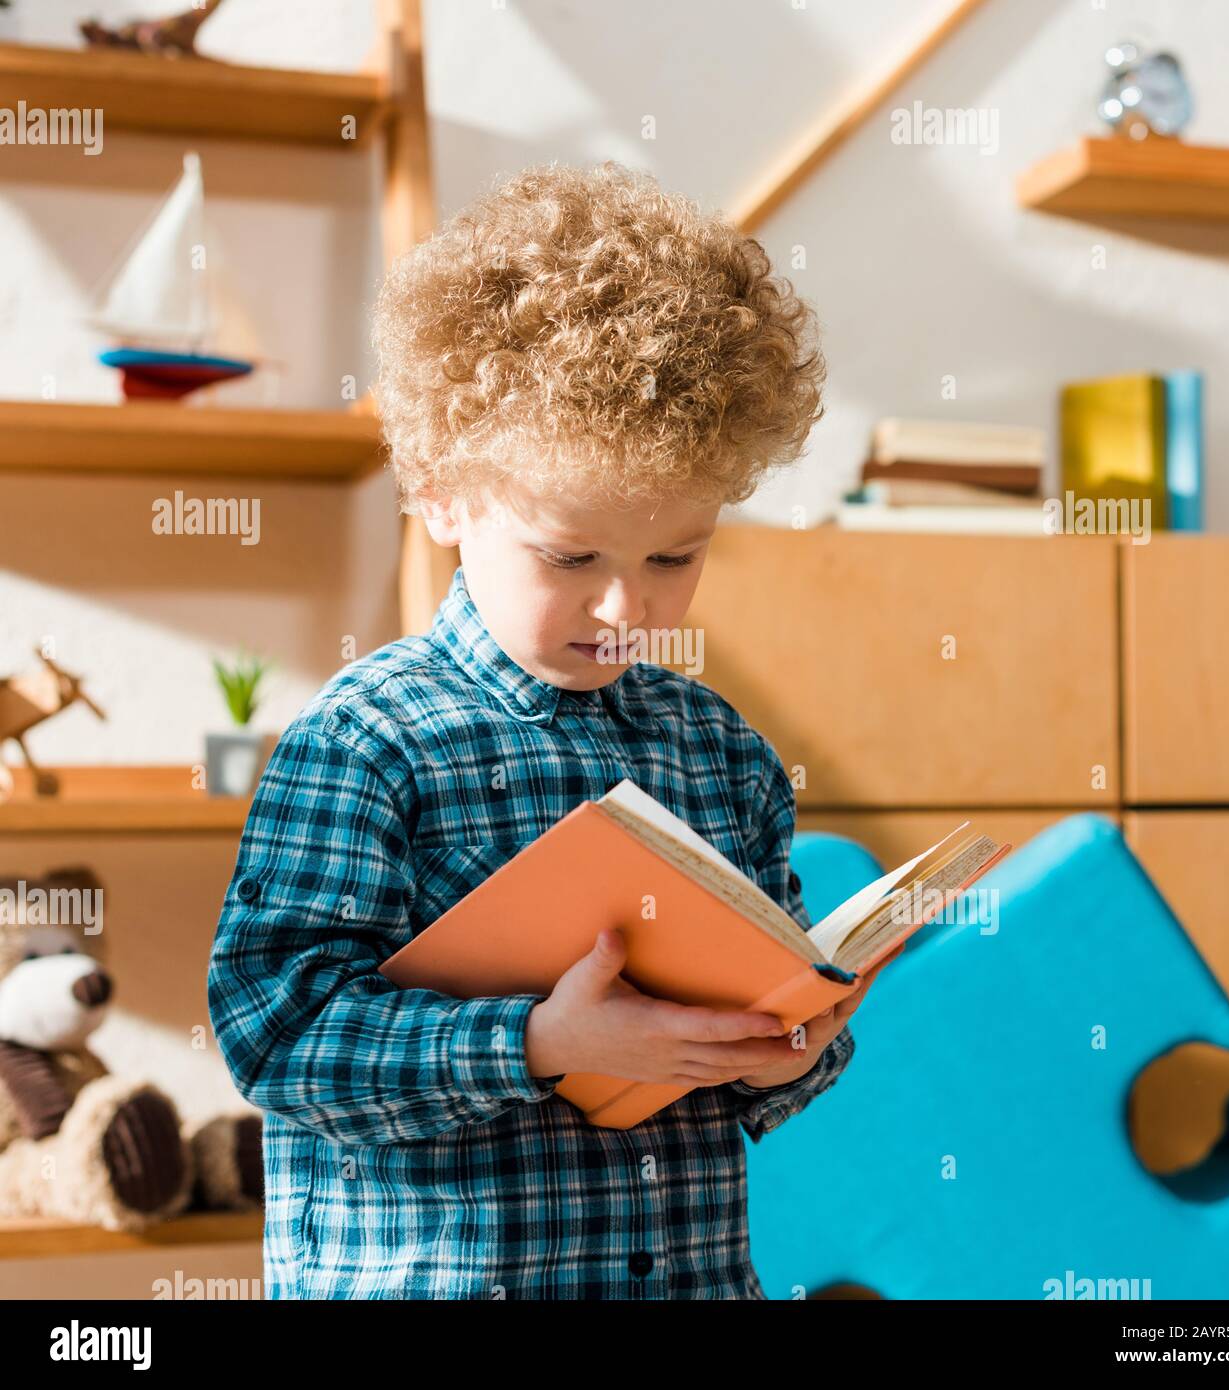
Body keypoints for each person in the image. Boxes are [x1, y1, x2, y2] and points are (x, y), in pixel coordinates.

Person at [208, 160, 897, 1300]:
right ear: (439, 492)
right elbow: (275, 1040)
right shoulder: (367, 741)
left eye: (674, 556)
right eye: (570, 557)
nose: (627, 608)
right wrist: (539, 1043)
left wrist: (795, 1043)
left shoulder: (720, 752)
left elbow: (741, 1085)